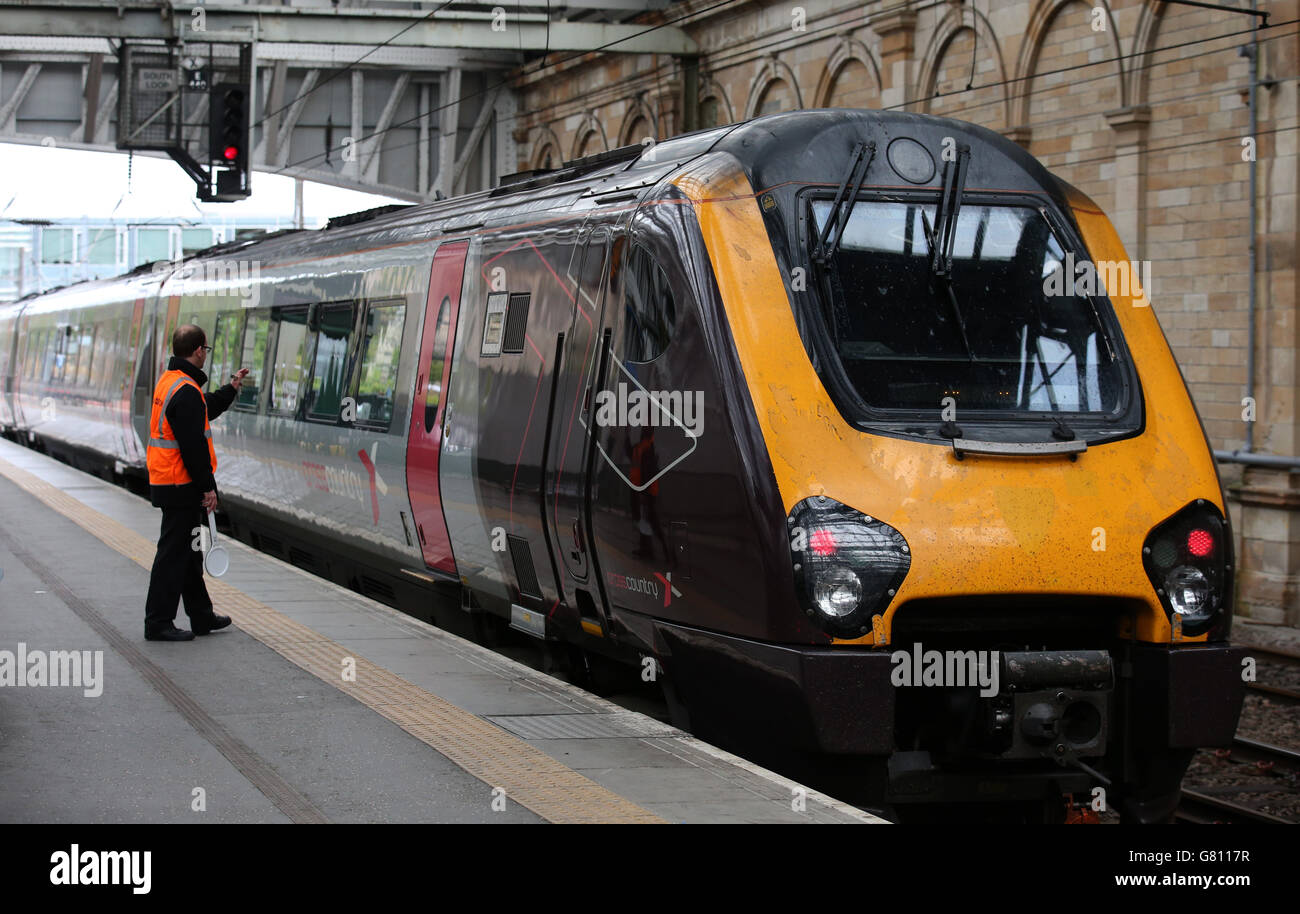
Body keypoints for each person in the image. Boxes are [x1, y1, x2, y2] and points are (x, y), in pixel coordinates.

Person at [143, 324, 249, 641]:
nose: (206, 354)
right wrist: (208, 488)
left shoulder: (172, 383)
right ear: (199, 350)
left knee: (189, 553)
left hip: (170, 481)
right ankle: (158, 622)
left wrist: (231, 388)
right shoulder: (185, 390)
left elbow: (203, 409)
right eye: (207, 349)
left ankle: (201, 616)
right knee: (173, 555)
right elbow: (193, 447)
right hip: (181, 484)